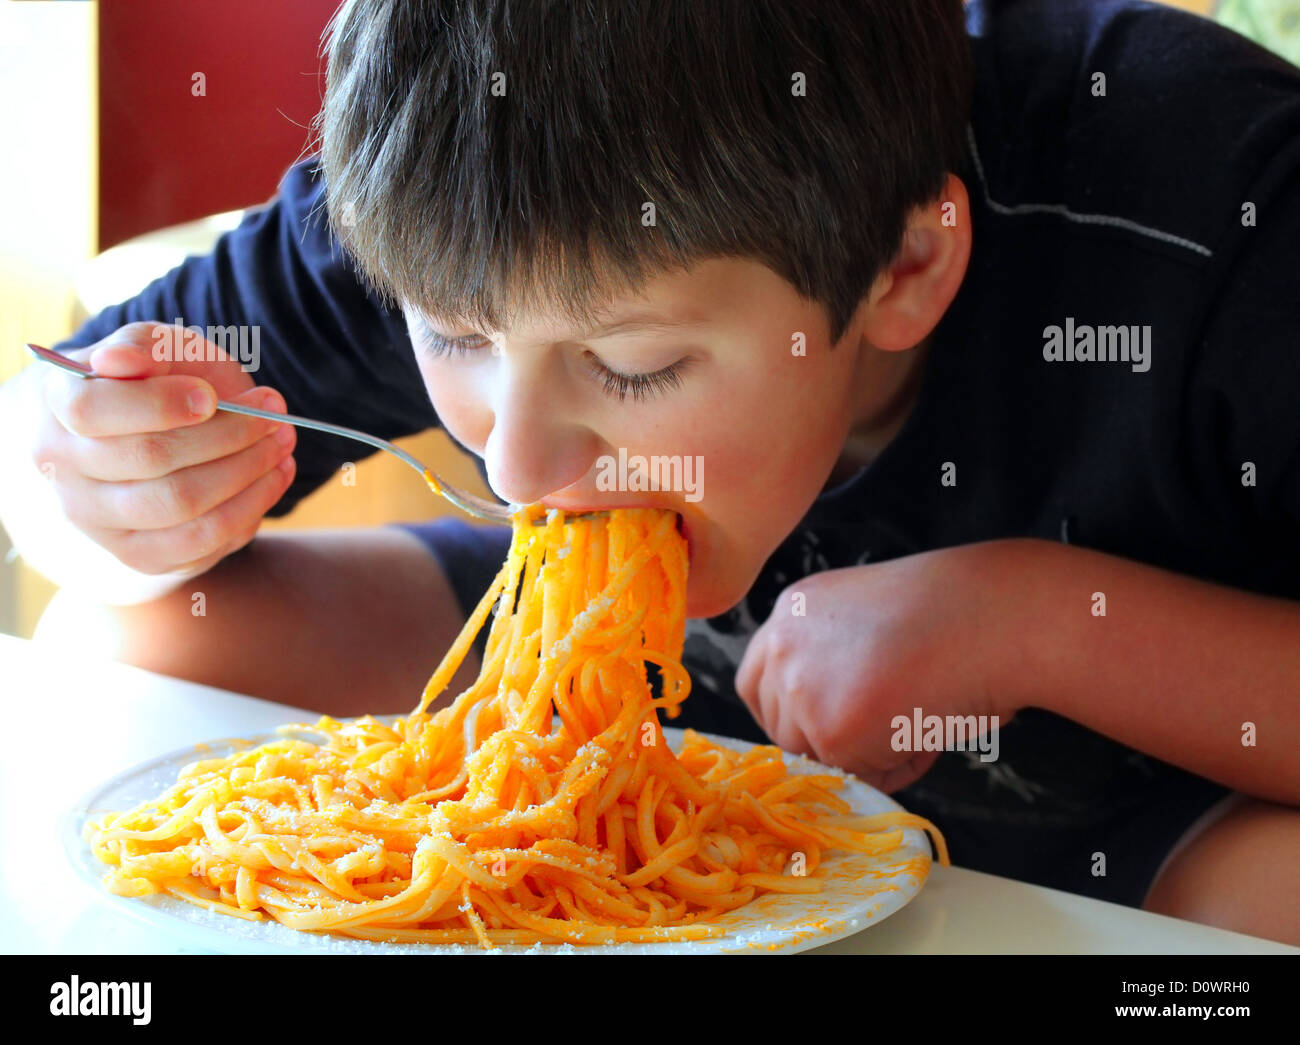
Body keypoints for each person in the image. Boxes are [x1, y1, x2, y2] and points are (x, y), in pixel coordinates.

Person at [2, 0, 1298, 945]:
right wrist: (80, 470)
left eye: (630, 368)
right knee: (141, 624)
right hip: (629, 709)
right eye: (455, 337)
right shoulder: (462, 176)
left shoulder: (1218, 204)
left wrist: (1037, 623)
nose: (515, 466)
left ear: (908, 264)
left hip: (1159, 797)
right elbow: (49, 428)